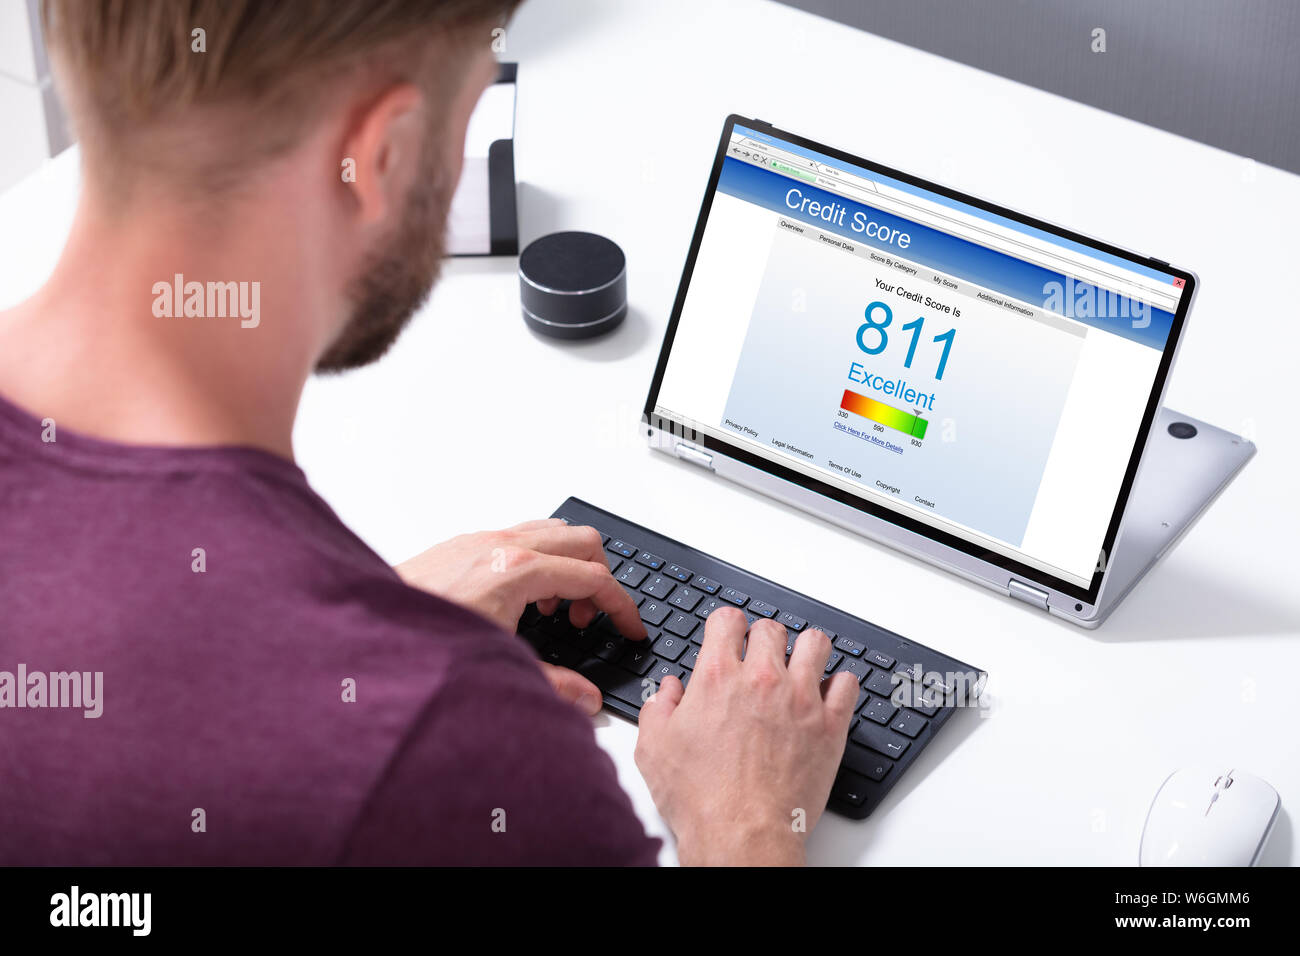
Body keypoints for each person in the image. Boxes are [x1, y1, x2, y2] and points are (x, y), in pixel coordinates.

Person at [0, 0, 857, 866]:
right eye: (468, 109)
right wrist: (747, 825)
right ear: (379, 155)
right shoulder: (460, 761)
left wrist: (348, 633)